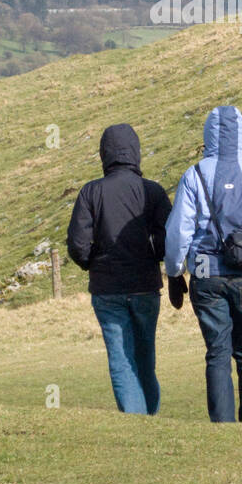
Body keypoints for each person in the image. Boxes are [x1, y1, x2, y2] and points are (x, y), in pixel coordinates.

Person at [164, 105, 242, 423]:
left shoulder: (194, 174)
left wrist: (174, 271)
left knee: (217, 352)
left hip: (206, 274)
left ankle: (222, 423)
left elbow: (179, 229)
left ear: (208, 135)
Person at [66, 123, 171, 415]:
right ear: (135, 152)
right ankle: (150, 418)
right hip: (145, 286)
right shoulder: (152, 191)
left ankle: (136, 422)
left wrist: (91, 264)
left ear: (104, 154)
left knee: (121, 359)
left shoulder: (91, 192)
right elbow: (169, 236)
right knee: (145, 357)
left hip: (107, 287)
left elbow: (77, 243)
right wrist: (155, 257)